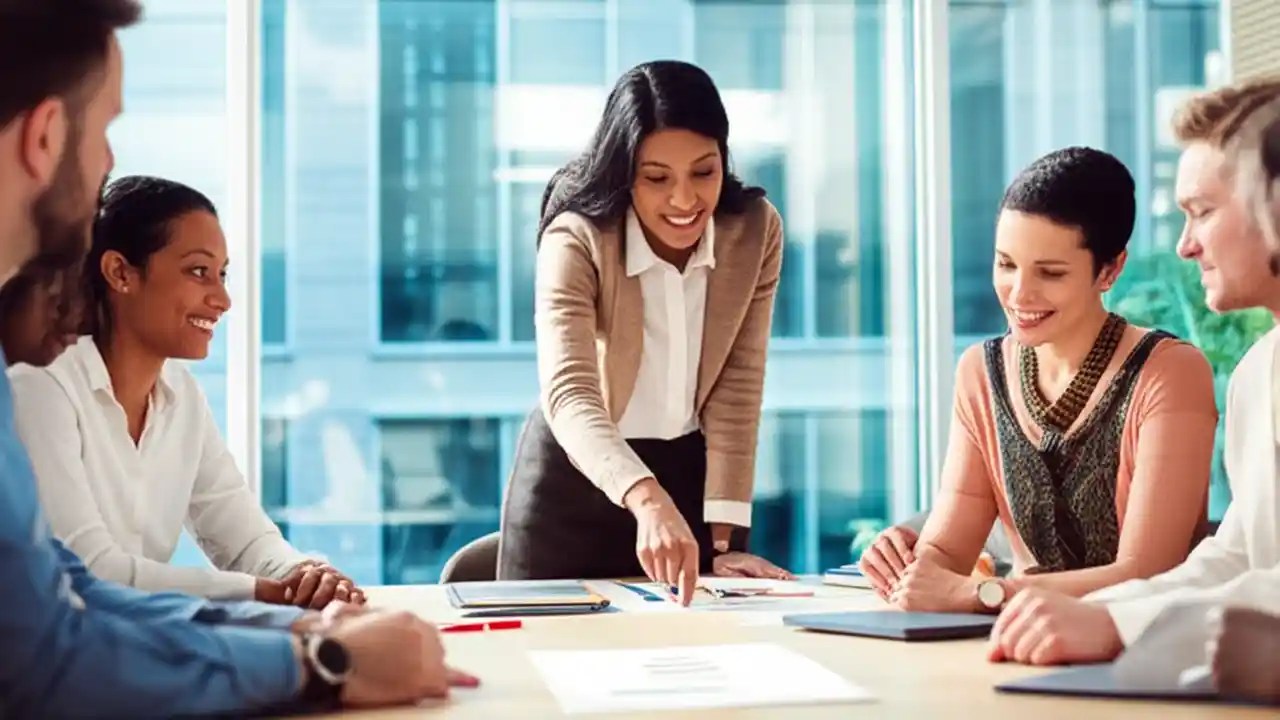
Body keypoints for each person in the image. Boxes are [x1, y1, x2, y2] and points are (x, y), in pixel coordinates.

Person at [0, 1, 475, 715]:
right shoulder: (35, 383)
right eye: (103, 130)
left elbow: (87, 589)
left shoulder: (178, 397)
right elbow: (56, 643)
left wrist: (305, 603)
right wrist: (318, 651)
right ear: (43, 136)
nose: (107, 162)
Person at [984, 79, 1280, 700]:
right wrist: (1099, 613)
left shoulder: (1173, 369)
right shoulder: (1260, 371)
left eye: (1203, 211)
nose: (1184, 245)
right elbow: (1239, 558)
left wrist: (1116, 621)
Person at [859, 147, 1219, 613]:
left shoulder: (1170, 372)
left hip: (1135, 646)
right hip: (1015, 639)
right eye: (1006, 264)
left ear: (1109, 270)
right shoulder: (980, 372)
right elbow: (947, 554)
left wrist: (983, 594)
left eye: (1050, 273)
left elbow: (1147, 573)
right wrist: (909, 569)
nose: (1019, 293)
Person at [498, 60, 792, 602]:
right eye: (657, 178)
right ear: (624, 170)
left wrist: (722, 541)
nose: (684, 201)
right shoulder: (578, 237)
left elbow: (738, 383)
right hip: (576, 479)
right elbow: (570, 394)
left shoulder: (754, 230)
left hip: (687, 485)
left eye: (703, 172)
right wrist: (646, 499)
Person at [10, 174, 363, 608]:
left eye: (222, 274)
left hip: (128, 645)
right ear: (120, 272)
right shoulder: (42, 385)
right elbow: (89, 570)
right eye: (199, 272)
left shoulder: (181, 396)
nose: (223, 299)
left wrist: (304, 576)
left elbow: (246, 541)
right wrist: (258, 591)